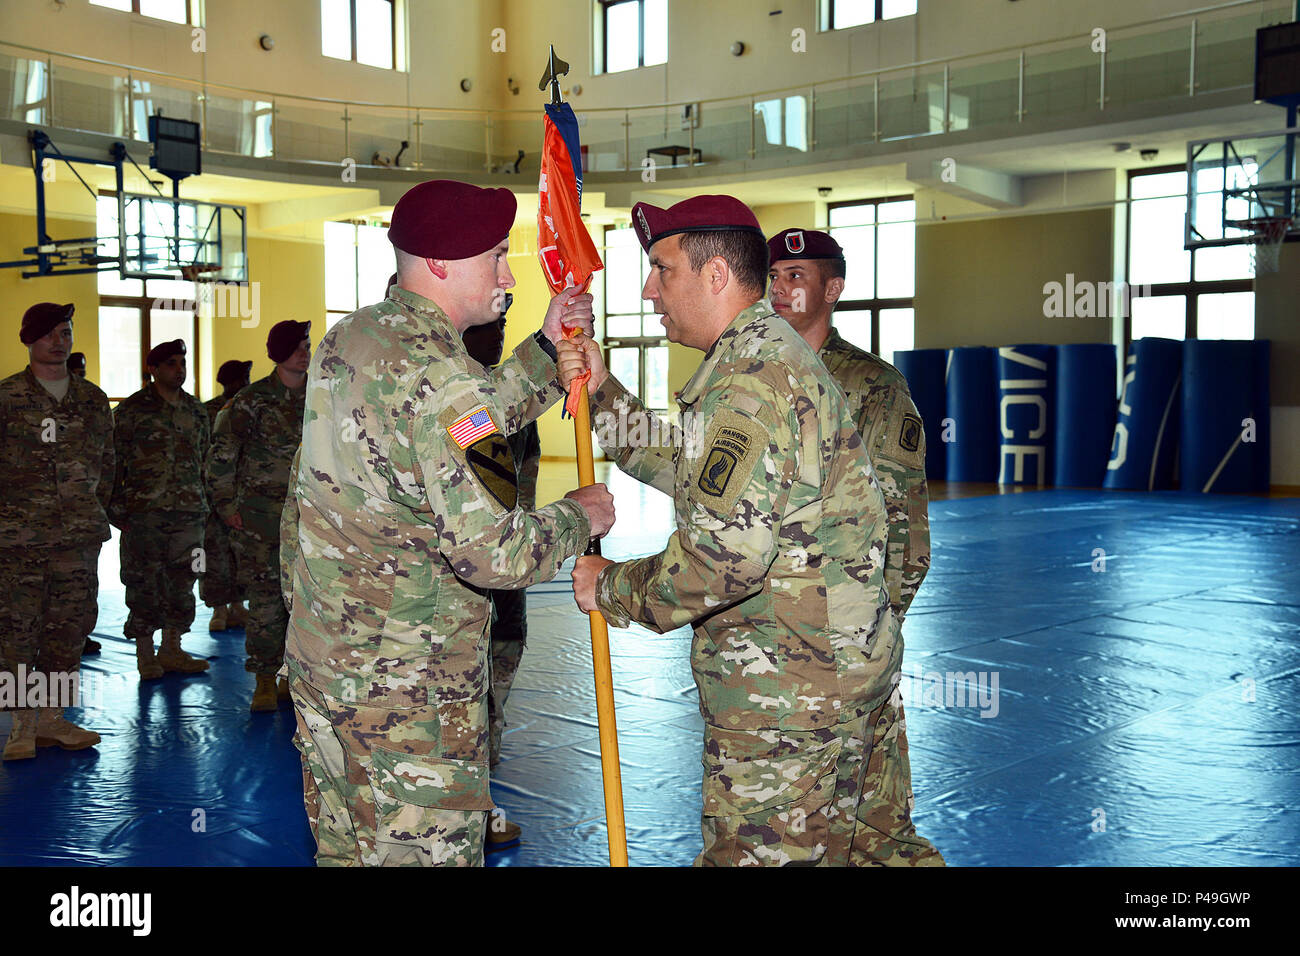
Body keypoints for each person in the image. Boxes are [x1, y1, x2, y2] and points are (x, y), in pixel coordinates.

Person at [559, 194, 943, 866]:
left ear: (714, 276)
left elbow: (725, 560)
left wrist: (612, 586)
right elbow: (693, 467)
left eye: (662, 270)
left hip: (787, 697)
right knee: (877, 852)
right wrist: (605, 393)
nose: (650, 290)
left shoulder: (747, 380)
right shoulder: (770, 357)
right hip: (840, 673)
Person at [281, 179, 615, 867]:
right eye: (494, 256)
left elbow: (449, 425)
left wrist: (547, 351)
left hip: (330, 666)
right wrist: (576, 517)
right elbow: (497, 556)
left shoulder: (356, 337)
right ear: (440, 264)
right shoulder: (443, 378)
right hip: (410, 696)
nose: (508, 275)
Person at [767, 226, 941, 866]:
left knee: (876, 830)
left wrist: (863, 635)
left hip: (846, 648)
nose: (780, 289)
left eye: (797, 277)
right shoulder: (760, 379)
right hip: (778, 651)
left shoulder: (873, 388)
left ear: (832, 289)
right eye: (773, 277)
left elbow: (902, 533)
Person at [1, 303, 114, 760]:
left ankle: (52, 717)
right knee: (16, 631)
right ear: (29, 340)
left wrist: (91, 509)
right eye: (49, 334)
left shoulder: (91, 399)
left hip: (78, 538)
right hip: (17, 538)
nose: (59, 340)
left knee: (68, 630)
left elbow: (107, 464)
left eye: (65, 331)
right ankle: (20, 724)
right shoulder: (7, 398)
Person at [461, 306, 539, 848]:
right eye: (490, 328)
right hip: (464, 584)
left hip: (507, 581)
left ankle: (479, 792)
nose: (499, 337)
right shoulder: (458, 402)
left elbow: (522, 484)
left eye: (505, 331)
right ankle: (472, 811)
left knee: (495, 691)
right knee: (463, 703)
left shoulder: (516, 404)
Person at [209, 324, 309, 712]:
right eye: (298, 347)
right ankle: (265, 679)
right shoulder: (250, 401)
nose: (305, 353)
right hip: (261, 522)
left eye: (307, 346)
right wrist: (227, 506)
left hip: (310, 520)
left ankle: (296, 678)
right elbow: (222, 455)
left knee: (306, 605)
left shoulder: (321, 396)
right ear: (279, 352)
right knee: (266, 604)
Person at [110, 339, 211, 679]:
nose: (179, 369)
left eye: (182, 362)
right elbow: (113, 463)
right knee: (143, 582)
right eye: (170, 363)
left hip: (190, 514)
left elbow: (206, 461)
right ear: (152, 369)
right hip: (145, 513)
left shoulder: (197, 411)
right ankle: (145, 654)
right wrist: (118, 510)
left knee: (184, 580)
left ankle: (172, 649)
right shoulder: (131, 411)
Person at [202, 359, 252, 633]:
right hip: (214, 496)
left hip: (245, 494)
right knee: (215, 555)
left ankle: (238, 606)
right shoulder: (209, 411)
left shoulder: (250, 409)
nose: (244, 383)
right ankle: (219, 609)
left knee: (241, 554)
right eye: (240, 378)